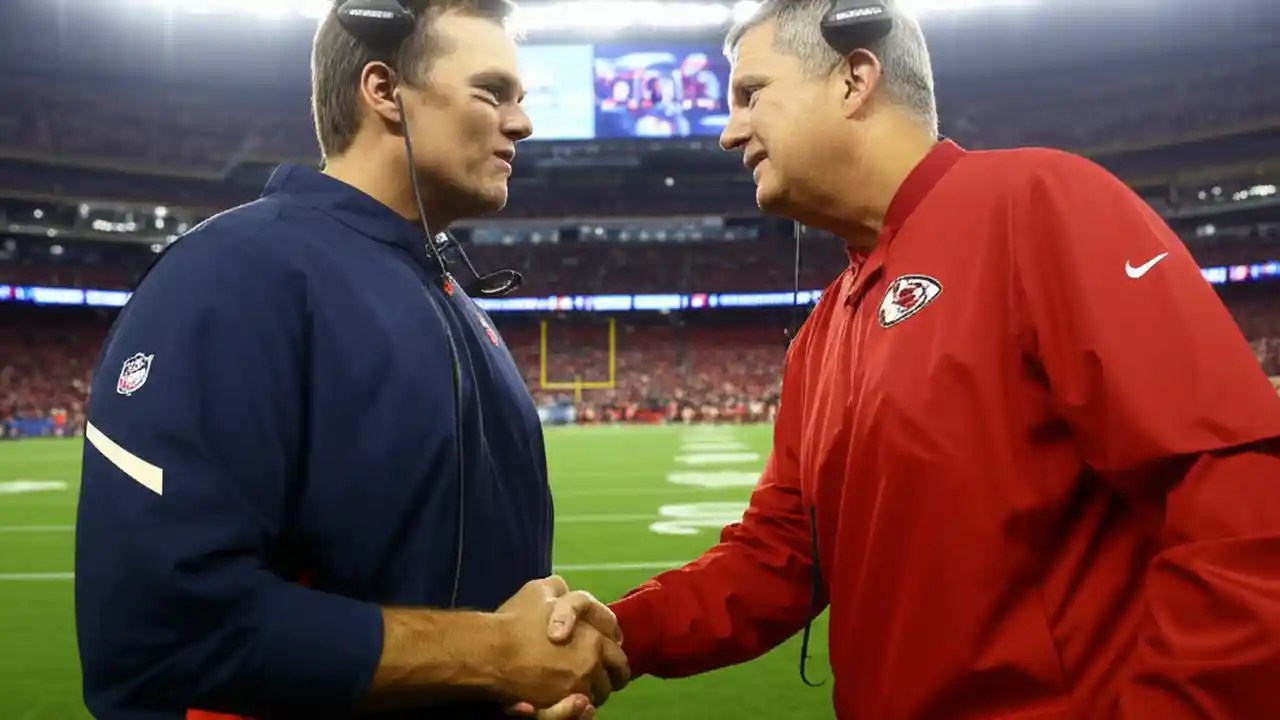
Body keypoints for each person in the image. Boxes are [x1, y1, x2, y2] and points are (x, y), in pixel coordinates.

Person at [548, 1, 1280, 718]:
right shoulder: (823, 328)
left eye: (750, 94)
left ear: (853, 79)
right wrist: (623, 632)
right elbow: (781, 558)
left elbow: (1241, 503)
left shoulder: (1040, 203)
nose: (728, 132)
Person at [73, 2, 627, 719]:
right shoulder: (236, 272)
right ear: (382, 90)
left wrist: (514, 680)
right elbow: (160, 627)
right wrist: (492, 652)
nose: (522, 124)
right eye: (493, 93)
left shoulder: (453, 296)